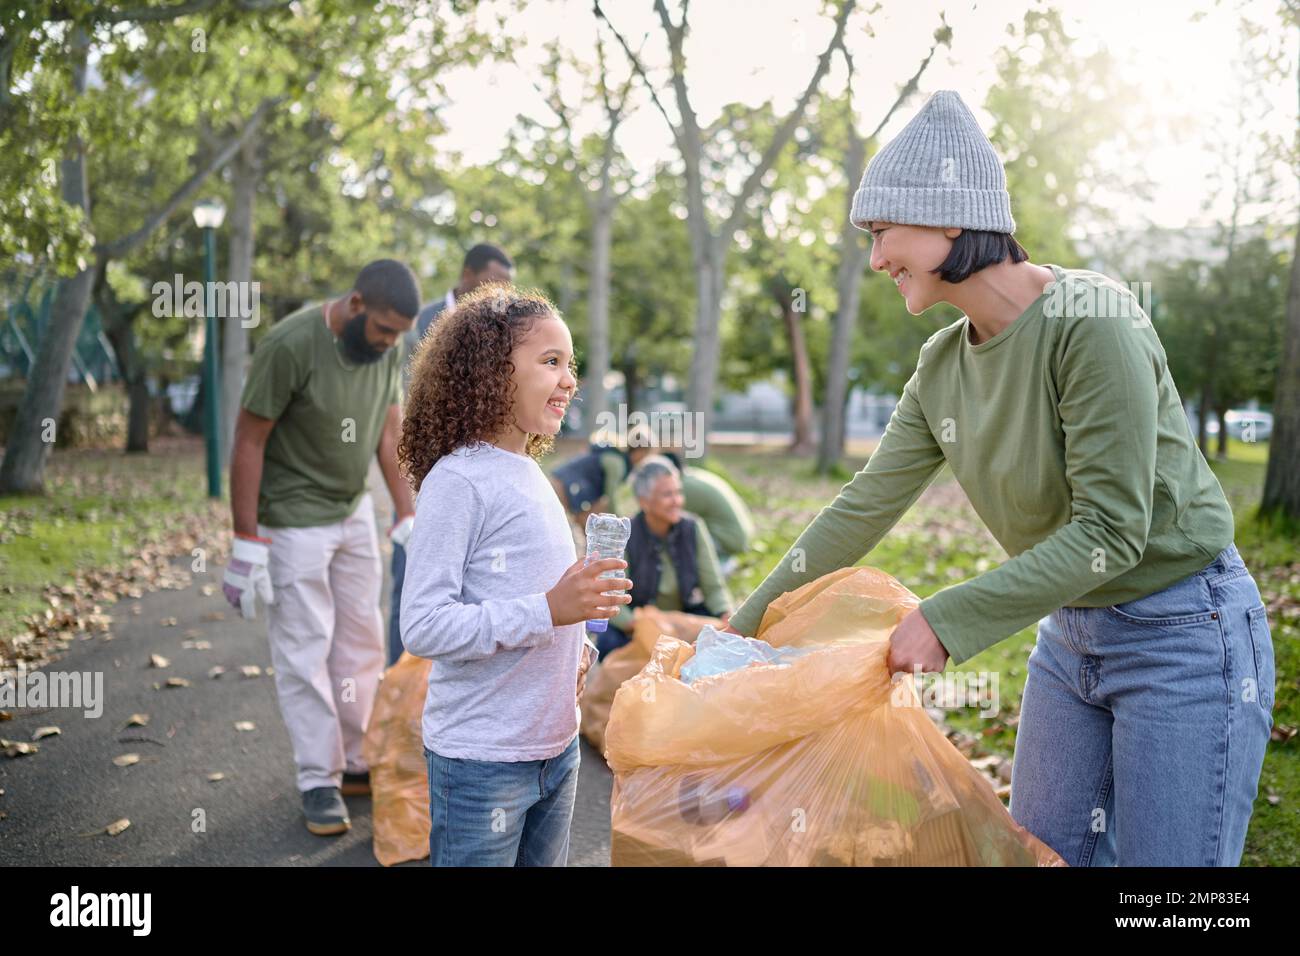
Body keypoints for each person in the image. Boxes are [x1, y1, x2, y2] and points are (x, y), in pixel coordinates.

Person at [724, 90, 1274, 867]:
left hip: (1183, 630)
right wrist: (740, 632)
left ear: (951, 218)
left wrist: (949, 619)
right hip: (1070, 637)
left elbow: (1113, 532)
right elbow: (863, 506)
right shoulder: (943, 364)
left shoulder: (1092, 318)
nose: (876, 259)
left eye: (883, 232)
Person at [397, 283, 630, 867]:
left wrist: (574, 644)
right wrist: (551, 611)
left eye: (569, 364)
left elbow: (534, 600)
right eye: (551, 362)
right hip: (483, 760)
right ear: (491, 373)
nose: (570, 379)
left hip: (556, 749)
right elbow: (423, 626)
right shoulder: (459, 481)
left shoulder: (528, 471)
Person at [222, 259, 420, 836]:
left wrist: (406, 512)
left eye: (398, 335)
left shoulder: (384, 353)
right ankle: (318, 777)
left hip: (352, 508)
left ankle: (357, 759)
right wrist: (246, 540)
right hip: (292, 518)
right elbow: (248, 440)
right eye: (383, 330)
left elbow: (388, 434)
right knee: (305, 646)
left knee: (359, 638)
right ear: (356, 305)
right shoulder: (290, 346)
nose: (389, 343)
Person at [388, 243, 514, 665]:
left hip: (479, 464)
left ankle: (449, 672)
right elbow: (396, 394)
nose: (500, 291)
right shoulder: (418, 323)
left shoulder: (502, 327)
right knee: (411, 575)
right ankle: (399, 676)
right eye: (493, 280)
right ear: (466, 274)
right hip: (421, 461)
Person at [597, 455, 733, 661]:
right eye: (667, 495)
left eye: (678, 492)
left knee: (720, 635)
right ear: (644, 501)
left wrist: (725, 613)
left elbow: (713, 587)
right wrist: (636, 625)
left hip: (682, 616)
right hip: (640, 619)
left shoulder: (693, 528)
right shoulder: (626, 534)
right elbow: (611, 599)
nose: (677, 501)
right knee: (608, 641)